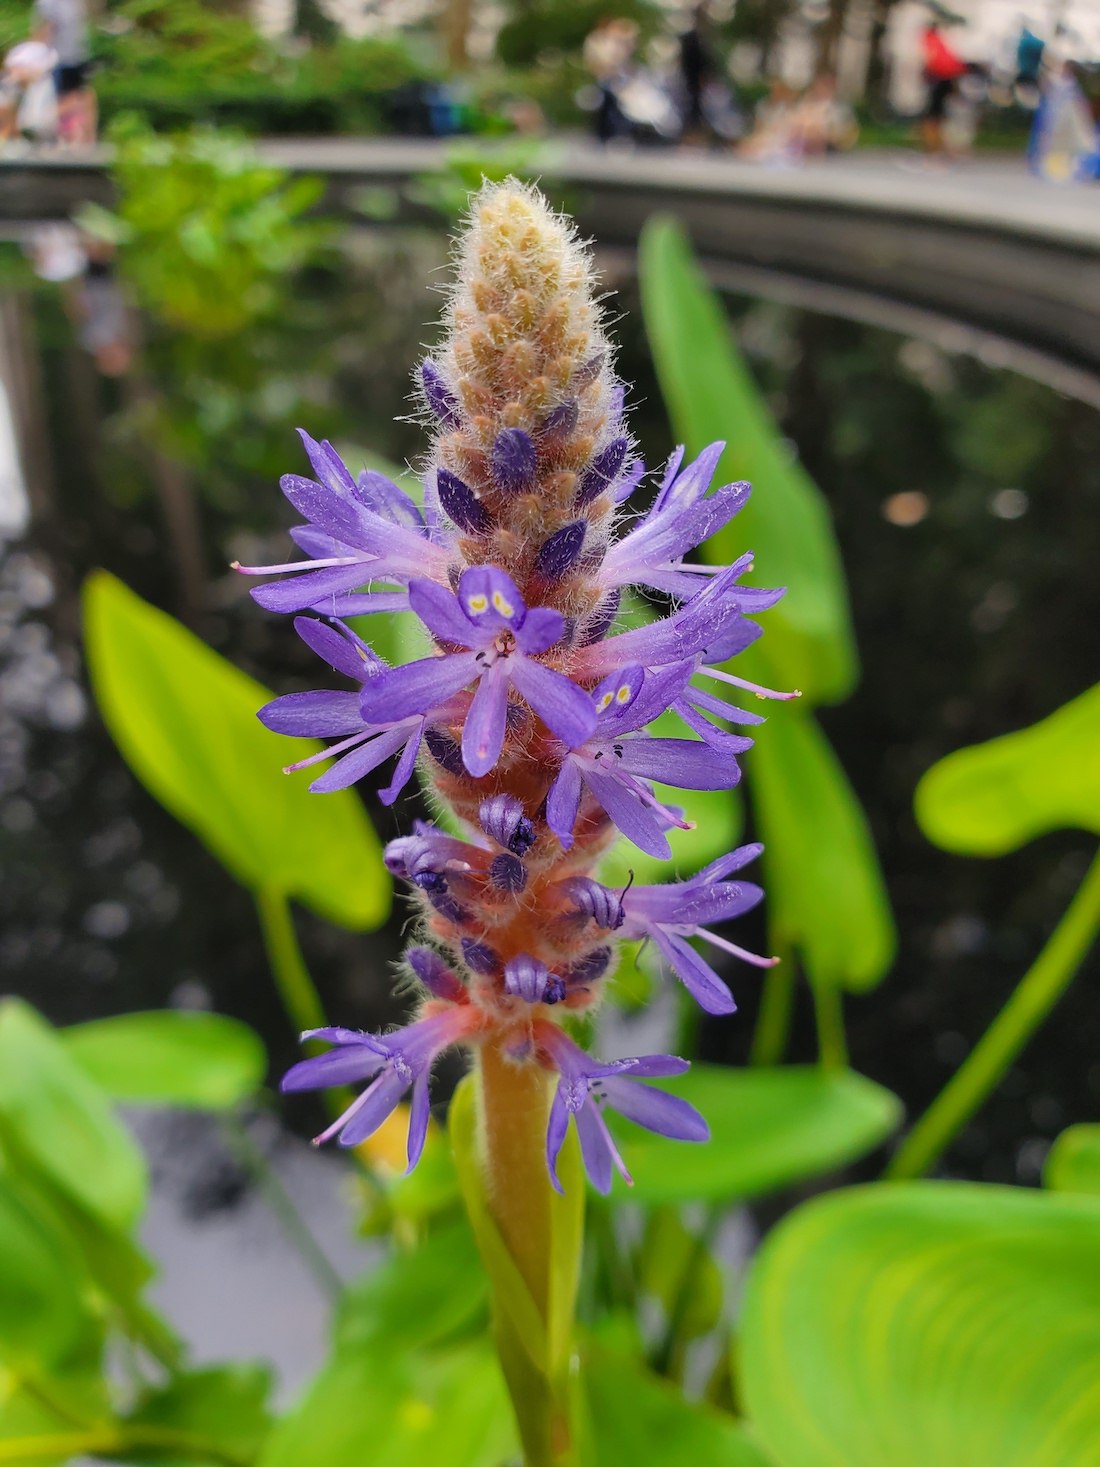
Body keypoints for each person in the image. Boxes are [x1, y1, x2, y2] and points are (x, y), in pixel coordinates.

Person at [33, 0, 95, 144]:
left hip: (59, 58)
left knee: (67, 98)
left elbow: (46, 26)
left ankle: (42, 123)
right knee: (79, 96)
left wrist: (36, 52)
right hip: (77, 55)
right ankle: (78, 138)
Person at [920, 19, 967, 156]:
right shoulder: (941, 40)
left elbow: (931, 57)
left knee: (933, 113)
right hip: (950, 77)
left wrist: (926, 74)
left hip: (940, 77)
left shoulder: (930, 39)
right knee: (940, 111)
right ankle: (940, 142)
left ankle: (933, 145)